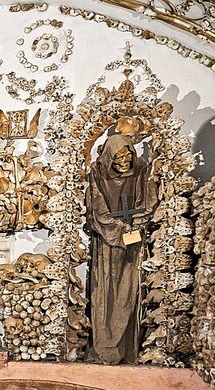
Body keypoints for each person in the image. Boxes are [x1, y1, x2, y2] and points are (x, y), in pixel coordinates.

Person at [85, 134, 156, 364]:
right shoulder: (98, 173)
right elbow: (97, 209)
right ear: (109, 156)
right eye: (119, 156)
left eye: (128, 155)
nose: (124, 160)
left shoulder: (141, 170)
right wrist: (120, 230)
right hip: (107, 244)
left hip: (134, 242)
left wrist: (135, 227)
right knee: (105, 293)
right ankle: (105, 347)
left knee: (128, 292)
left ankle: (126, 348)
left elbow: (147, 202)